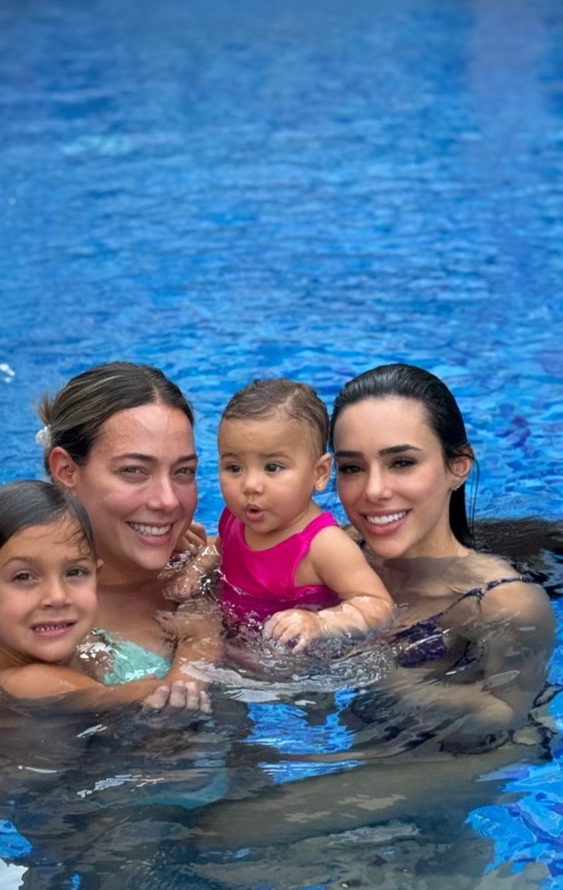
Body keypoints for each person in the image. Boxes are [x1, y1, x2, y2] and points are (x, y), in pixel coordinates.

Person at [196, 364, 557, 850]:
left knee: (228, 832)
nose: (373, 491)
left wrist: (376, 675)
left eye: (402, 463)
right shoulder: (338, 555)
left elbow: (504, 715)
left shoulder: (501, 602)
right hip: (357, 738)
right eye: (352, 467)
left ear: (458, 466)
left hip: (462, 759)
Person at [0, 480, 205, 719]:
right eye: (23, 577)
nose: (57, 597)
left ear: (96, 578)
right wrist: (198, 633)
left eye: (75, 572)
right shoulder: (26, 681)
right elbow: (158, 695)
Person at [35, 362, 212, 702]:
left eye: (184, 472)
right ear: (66, 470)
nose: (167, 501)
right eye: (133, 470)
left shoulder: (213, 570)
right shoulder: (28, 613)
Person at [173, 378, 393, 651]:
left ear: (320, 473)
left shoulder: (325, 546)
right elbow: (220, 549)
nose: (250, 485)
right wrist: (197, 569)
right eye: (234, 467)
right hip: (235, 641)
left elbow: (377, 605)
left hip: (300, 665)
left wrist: (320, 623)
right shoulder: (235, 517)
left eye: (273, 467)